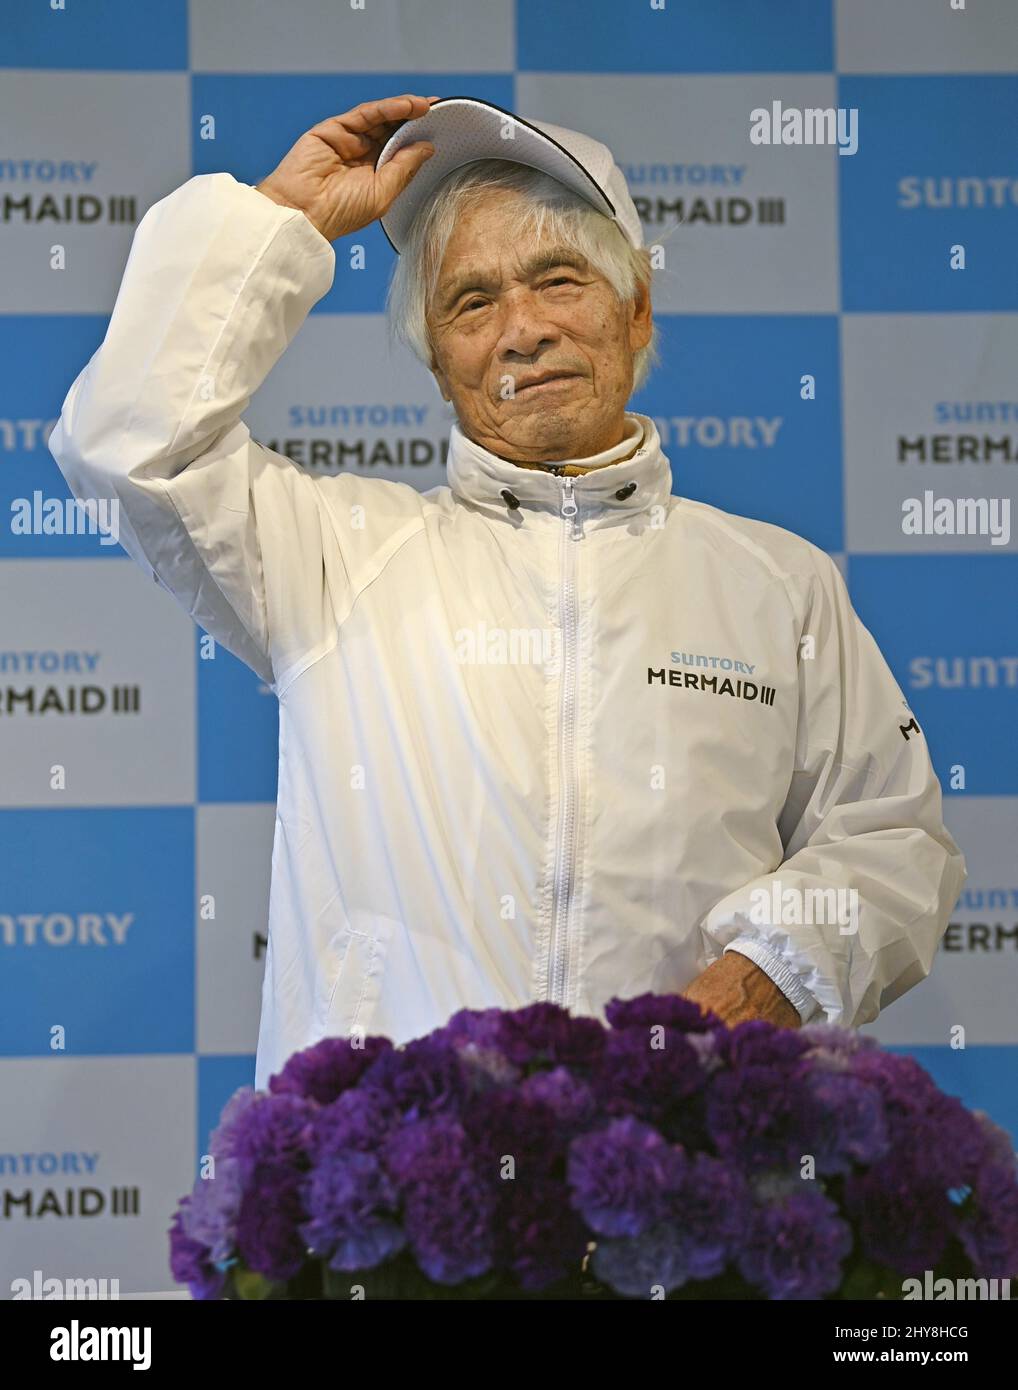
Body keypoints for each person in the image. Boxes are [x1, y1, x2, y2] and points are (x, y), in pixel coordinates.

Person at [48, 94, 966, 1089]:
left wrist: (763, 981)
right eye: (471, 302)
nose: (521, 331)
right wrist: (283, 220)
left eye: (557, 280)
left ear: (636, 309)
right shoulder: (333, 552)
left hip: (676, 1187)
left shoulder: (780, 585)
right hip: (392, 1198)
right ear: (439, 361)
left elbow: (890, 837)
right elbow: (130, 442)